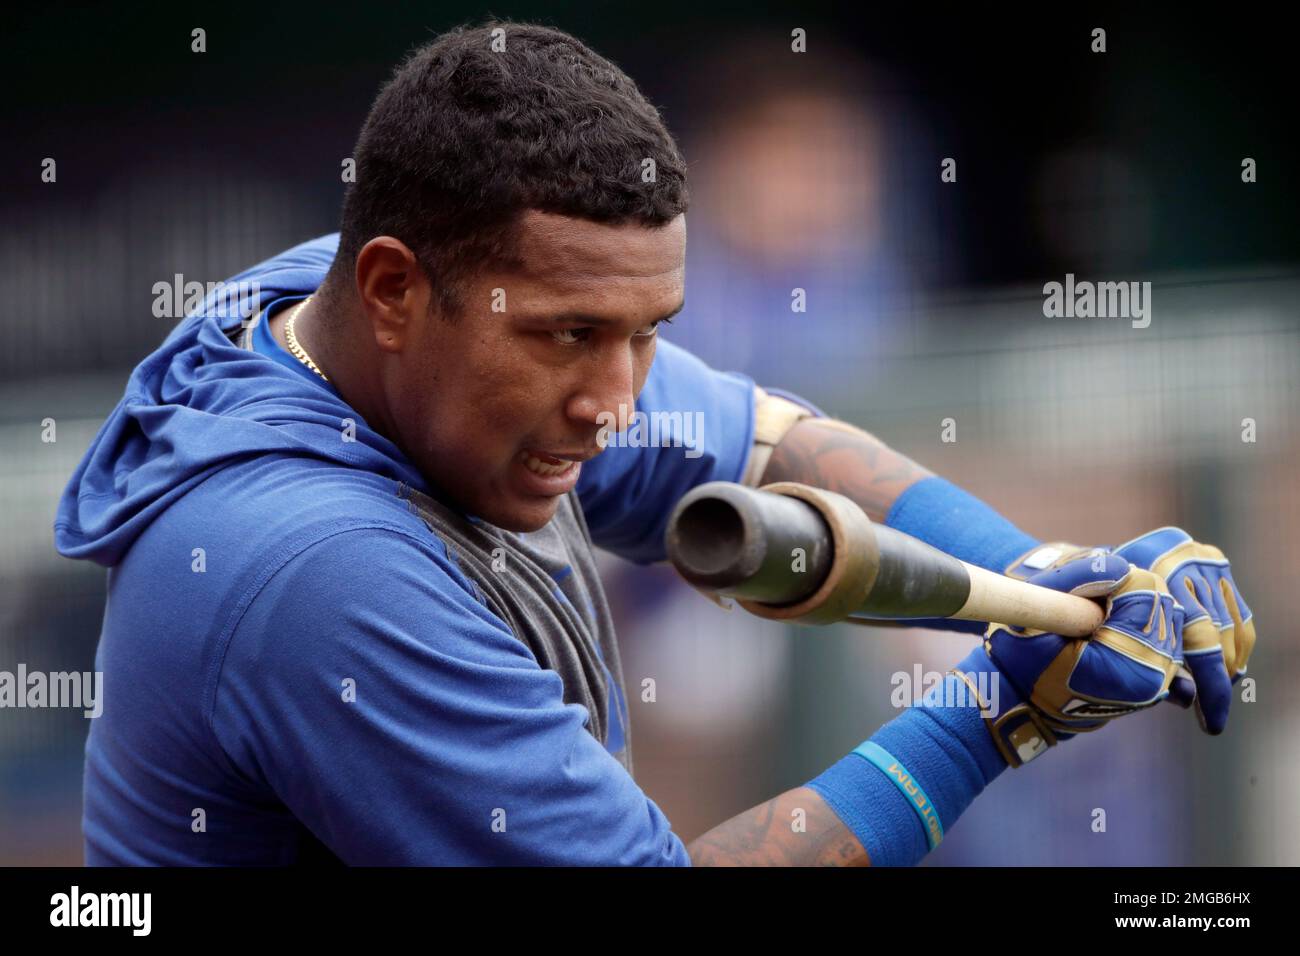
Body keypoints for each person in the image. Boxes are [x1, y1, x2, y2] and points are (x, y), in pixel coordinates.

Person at [54, 22, 1255, 866]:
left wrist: (1045, 578)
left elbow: (755, 443)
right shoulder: (315, 569)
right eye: (573, 335)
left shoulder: (345, 312)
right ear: (390, 291)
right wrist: (995, 715)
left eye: (646, 335)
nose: (620, 399)